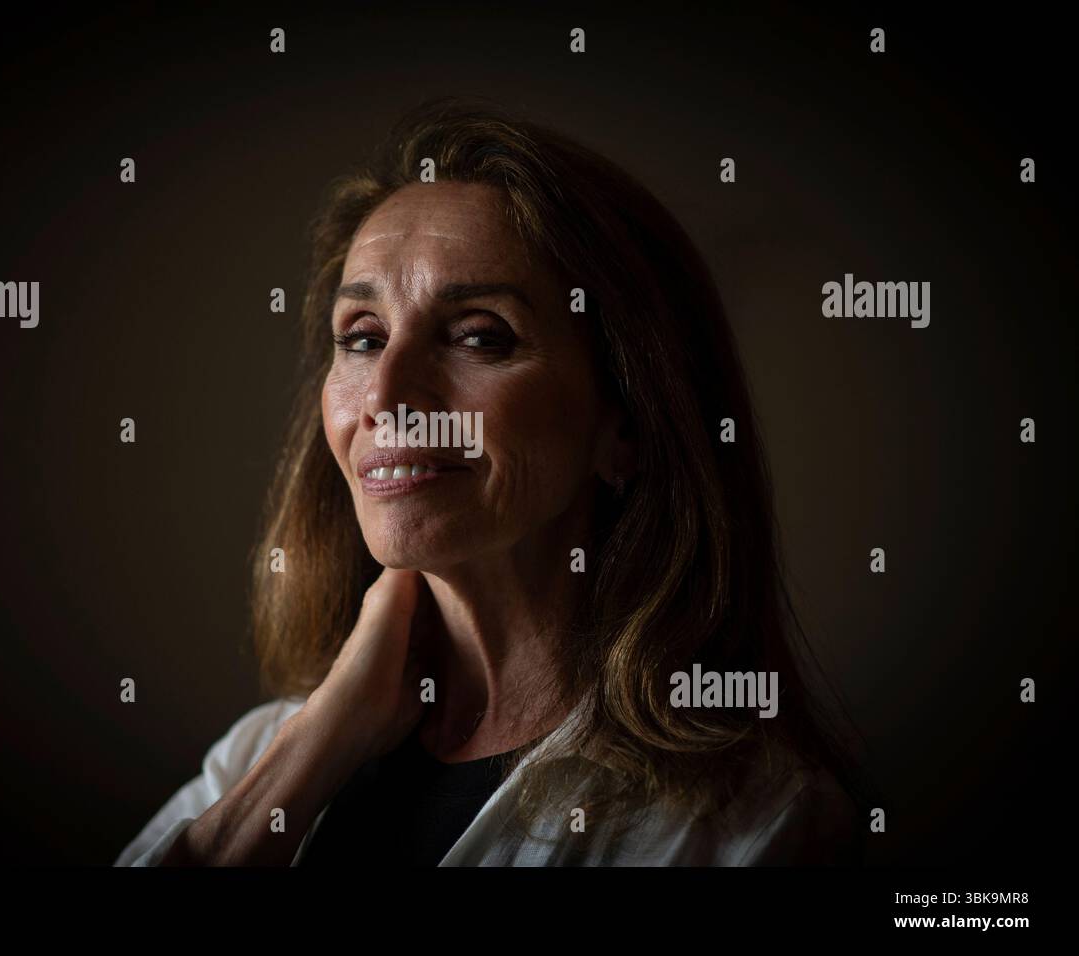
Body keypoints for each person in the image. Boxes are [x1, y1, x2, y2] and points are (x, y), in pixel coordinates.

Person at [116, 96, 867, 867]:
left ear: (630, 425)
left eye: (479, 335)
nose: (385, 397)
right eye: (363, 338)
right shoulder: (257, 757)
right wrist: (305, 756)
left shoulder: (754, 829)